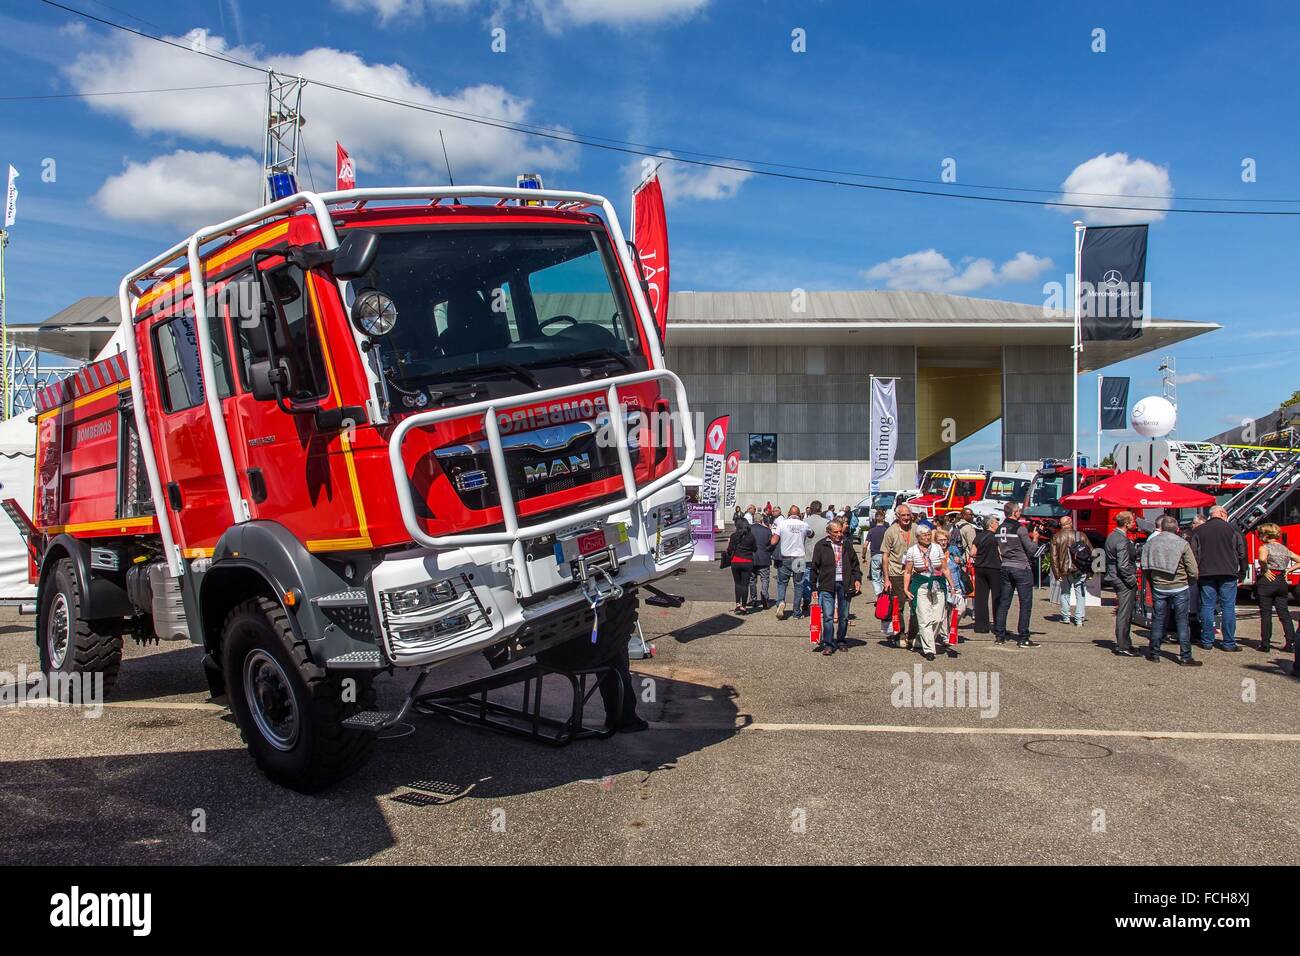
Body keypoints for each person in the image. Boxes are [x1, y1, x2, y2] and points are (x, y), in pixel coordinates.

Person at [1143, 514, 1201, 665]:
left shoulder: (1151, 543)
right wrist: (1190, 581)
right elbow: (1193, 569)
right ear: (1177, 529)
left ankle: (1154, 652)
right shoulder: (1182, 543)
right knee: (1182, 621)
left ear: (1161, 528)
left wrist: (1152, 580)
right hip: (1179, 586)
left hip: (1159, 585)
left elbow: (1145, 566)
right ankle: (1185, 656)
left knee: (1158, 619)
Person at [1190, 505, 1247, 653]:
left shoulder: (1198, 530)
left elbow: (1193, 553)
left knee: (1207, 606)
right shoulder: (1233, 529)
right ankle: (1228, 643)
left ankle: (1207, 641)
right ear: (1222, 514)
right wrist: (1243, 571)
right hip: (1228, 571)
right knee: (1228, 607)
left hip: (1206, 572)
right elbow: (1242, 552)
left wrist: (1194, 571)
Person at [903, 524, 957, 661]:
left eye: (928, 534)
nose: (927, 537)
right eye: (924, 535)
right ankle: (929, 650)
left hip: (937, 583)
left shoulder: (937, 548)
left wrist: (952, 585)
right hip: (921, 585)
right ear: (918, 537)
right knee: (924, 618)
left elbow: (945, 569)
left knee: (938, 618)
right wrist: (906, 588)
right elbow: (908, 571)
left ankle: (923, 639)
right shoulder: (912, 551)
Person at [811, 519, 862, 655]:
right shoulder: (821, 545)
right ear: (829, 533)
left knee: (844, 616)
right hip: (827, 584)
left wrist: (857, 579)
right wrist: (814, 587)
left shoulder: (847, 544)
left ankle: (841, 640)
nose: (839, 534)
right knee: (828, 616)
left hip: (845, 584)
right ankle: (828, 643)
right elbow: (814, 567)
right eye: (836, 532)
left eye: (841, 531)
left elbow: (855, 564)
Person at [994, 502, 1040, 647]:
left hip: (1006, 565)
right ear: (1014, 513)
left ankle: (1000, 635)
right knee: (1025, 603)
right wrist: (1035, 538)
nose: (1020, 513)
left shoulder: (1000, 528)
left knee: (1004, 602)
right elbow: (1031, 550)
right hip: (1021, 567)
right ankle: (1023, 637)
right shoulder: (1020, 529)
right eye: (1018, 511)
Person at [1254, 523, 1299, 653]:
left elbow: (1262, 559)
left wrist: (1265, 568)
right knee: (1284, 613)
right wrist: (1288, 570)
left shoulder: (1265, 547)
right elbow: (1299, 559)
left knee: (1266, 613)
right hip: (1281, 581)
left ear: (1266, 535)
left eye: (1261, 533)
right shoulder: (1284, 549)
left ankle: (1265, 643)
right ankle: (1290, 642)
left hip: (1267, 581)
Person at [881, 504, 918, 648]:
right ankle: (900, 633)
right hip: (896, 572)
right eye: (903, 515)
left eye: (908, 515)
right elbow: (885, 556)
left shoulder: (916, 529)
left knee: (916, 605)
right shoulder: (891, 532)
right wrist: (886, 579)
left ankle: (913, 634)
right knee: (899, 606)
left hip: (915, 572)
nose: (906, 518)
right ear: (897, 516)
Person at [1103, 511, 1139, 656]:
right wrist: (1132, 580)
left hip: (1115, 577)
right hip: (1123, 580)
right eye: (1133, 521)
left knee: (1124, 612)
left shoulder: (1112, 536)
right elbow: (1123, 565)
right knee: (1125, 613)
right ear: (1126, 523)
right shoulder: (1121, 540)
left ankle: (1126, 643)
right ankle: (1123, 645)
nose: (1134, 524)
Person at [1050, 515, 1090, 627]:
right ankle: (1079, 618)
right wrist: (1089, 570)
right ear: (1070, 522)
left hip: (1063, 570)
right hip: (1079, 569)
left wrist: (1056, 573)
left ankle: (1066, 617)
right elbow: (1090, 552)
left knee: (1065, 593)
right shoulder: (1081, 535)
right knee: (1080, 594)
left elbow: (1053, 557)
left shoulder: (1056, 537)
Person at [772, 505, 812, 619]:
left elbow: (774, 540)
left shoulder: (782, 524)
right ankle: (796, 612)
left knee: (782, 583)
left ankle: (781, 602)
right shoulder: (804, 524)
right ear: (799, 514)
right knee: (798, 585)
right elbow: (811, 534)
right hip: (799, 558)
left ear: (788, 514)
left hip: (785, 558)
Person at [970, 515, 1002, 634]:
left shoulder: (979, 536)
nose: (997, 525)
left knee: (981, 598)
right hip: (994, 568)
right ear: (991, 525)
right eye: (996, 523)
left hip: (980, 568)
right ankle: (999, 625)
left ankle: (981, 626)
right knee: (997, 597)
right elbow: (1000, 552)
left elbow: (972, 552)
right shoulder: (995, 537)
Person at [800, 501, 830, 619]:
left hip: (807, 554)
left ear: (811, 509)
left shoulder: (804, 522)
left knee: (807, 578)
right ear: (820, 509)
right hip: (823, 555)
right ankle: (821, 604)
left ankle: (807, 598)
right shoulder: (827, 523)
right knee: (821, 580)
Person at [723, 517, 757, 614]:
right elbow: (755, 549)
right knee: (745, 585)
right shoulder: (751, 537)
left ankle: (738, 604)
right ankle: (744, 606)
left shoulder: (734, 536)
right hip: (747, 561)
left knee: (737, 583)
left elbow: (729, 550)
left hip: (736, 561)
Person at [749, 512, 776, 609]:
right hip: (764, 557)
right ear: (761, 520)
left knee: (752, 580)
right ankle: (764, 595)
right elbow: (772, 544)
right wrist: (769, 552)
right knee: (765, 579)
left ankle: (753, 598)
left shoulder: (749, 529)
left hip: (751, 558)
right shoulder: (767, 531)